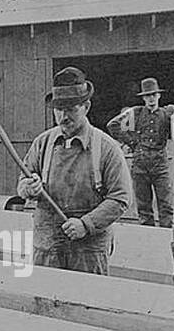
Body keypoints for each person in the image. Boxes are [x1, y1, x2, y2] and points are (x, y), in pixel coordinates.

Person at [16, 66, 133, 275]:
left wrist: (86, 224)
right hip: (47, 247)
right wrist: (29, 188)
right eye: (59, 109)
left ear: (86, 106)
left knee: (88, 303)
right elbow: (22, 185)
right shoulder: (42, 143)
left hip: (88, 251)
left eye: (71, 108)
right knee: (45, 303)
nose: (63, 116)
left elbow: (121, 198)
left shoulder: (106, 147)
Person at [106, 77, 174, 227]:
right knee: (143, 206)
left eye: (154, 95)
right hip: (140, 164)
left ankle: (166, 238)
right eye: (147, 96)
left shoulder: (166, 114)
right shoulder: (135, 112)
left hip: (160, 165)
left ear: (159, 96)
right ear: (143, 98)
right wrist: (132, 141)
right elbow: (113, 125)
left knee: (166, 205)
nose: (151, 99)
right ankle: (150, 239)